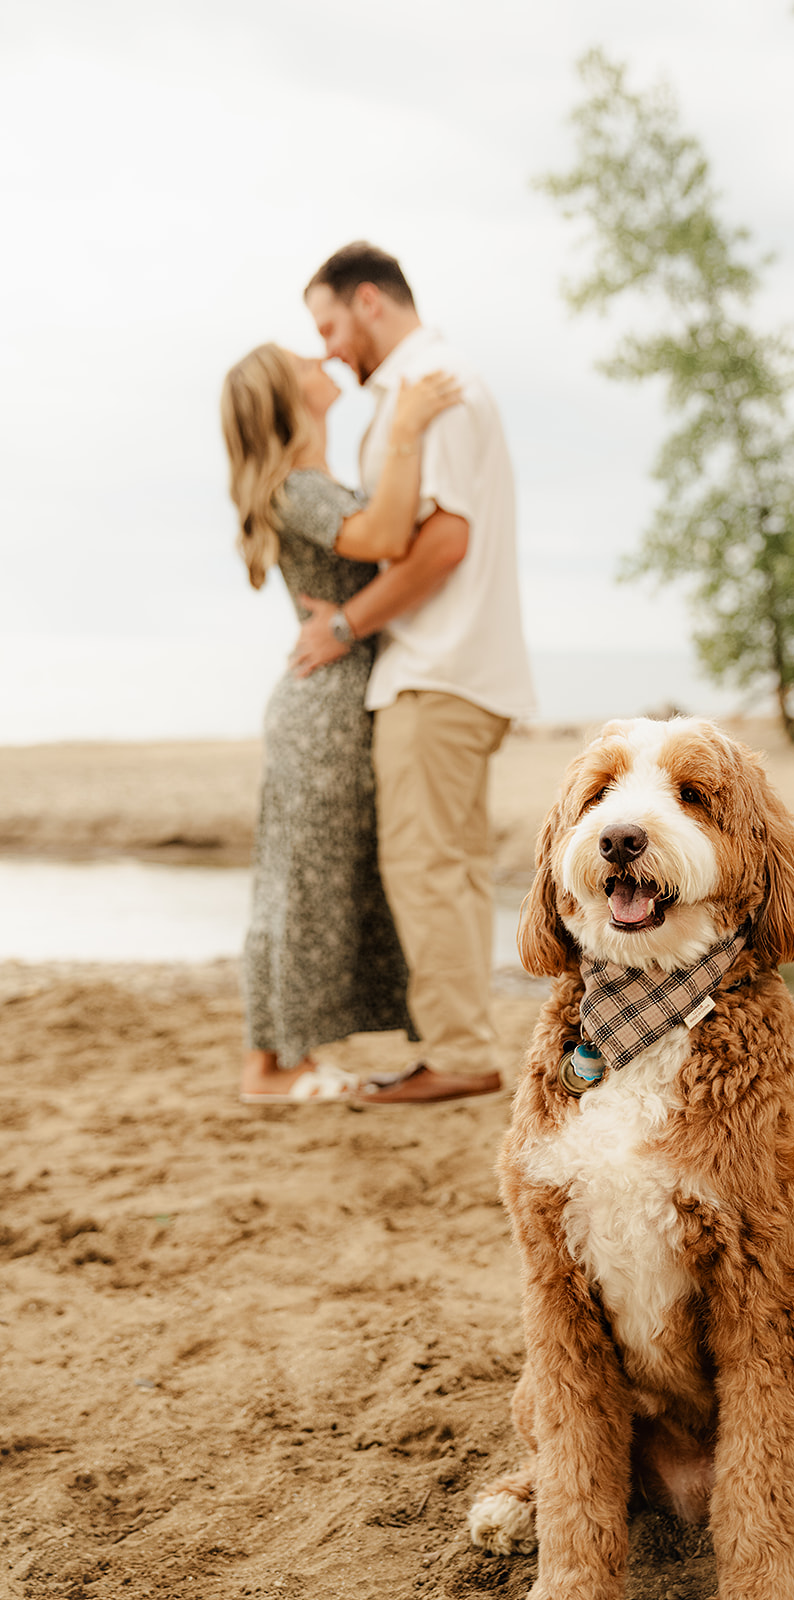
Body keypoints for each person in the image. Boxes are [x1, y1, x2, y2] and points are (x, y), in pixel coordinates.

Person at [293, 241, 537, 1106]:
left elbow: (443, 539)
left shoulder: (425, 386)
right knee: (453, 869)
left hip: (437, 670)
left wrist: (345, 625)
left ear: (368, 303)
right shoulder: (437, 381)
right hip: (461, 668)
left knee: (426, 868)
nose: (326, 347)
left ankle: (461, 1053)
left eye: (328, 325)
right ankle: (460, 1043)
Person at [221, 342, 462, 1102]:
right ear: (288, 399)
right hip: (324, 711)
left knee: (307, 883)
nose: (321, 353)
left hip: (330, 703)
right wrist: (408, 427)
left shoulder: (312, 486)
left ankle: (280, 1056)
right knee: (302, 887)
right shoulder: (299, 488)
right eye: (302, 357)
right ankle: (272, 1065)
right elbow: (387, 538)